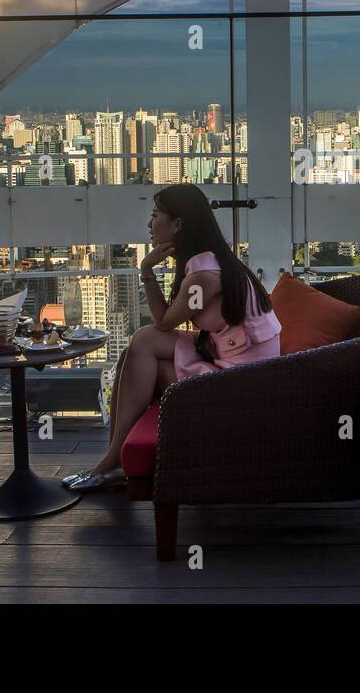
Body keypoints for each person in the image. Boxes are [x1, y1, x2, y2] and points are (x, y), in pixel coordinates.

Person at [62, 183, 282, 491]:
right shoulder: (211, 262)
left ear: (178, 224)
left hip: (243, 386)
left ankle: (112, 463)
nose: (149, 225)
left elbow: (165, 320)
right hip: (232, 362)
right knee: (140, 344)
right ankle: (114, 460)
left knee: (144, 348)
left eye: (155, 216)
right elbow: (163, 325)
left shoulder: (205, 278)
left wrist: (147, 269)